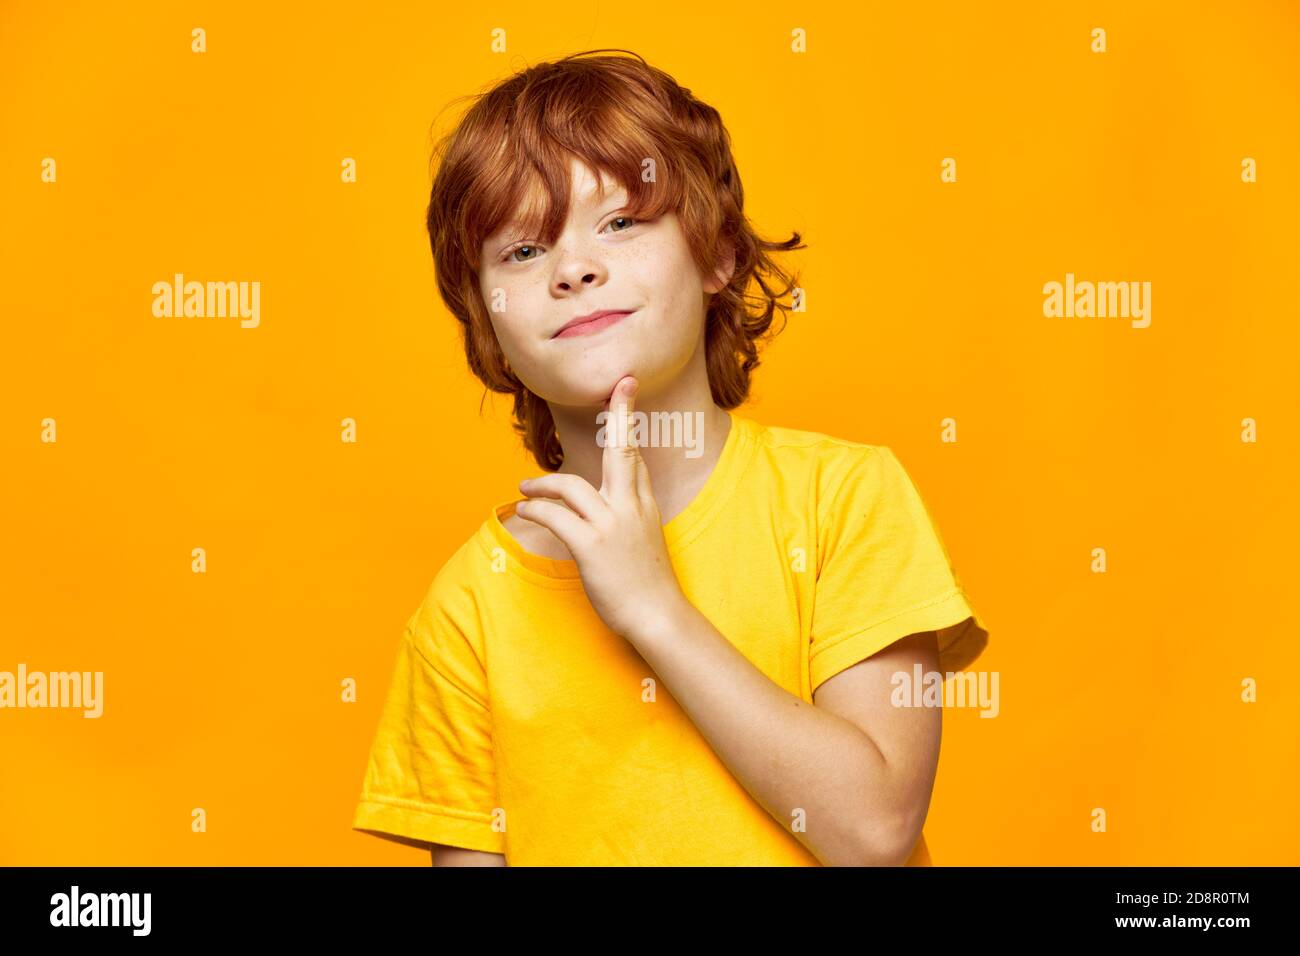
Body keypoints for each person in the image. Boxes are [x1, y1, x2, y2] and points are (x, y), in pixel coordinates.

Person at [352, 49, 988, 866]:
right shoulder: (470, 608)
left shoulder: (844, 499)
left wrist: (654, 609)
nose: (574, 268)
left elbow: (874, 835)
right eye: (522, 251)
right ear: (488, 324)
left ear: (716, 254)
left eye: (619, 222)